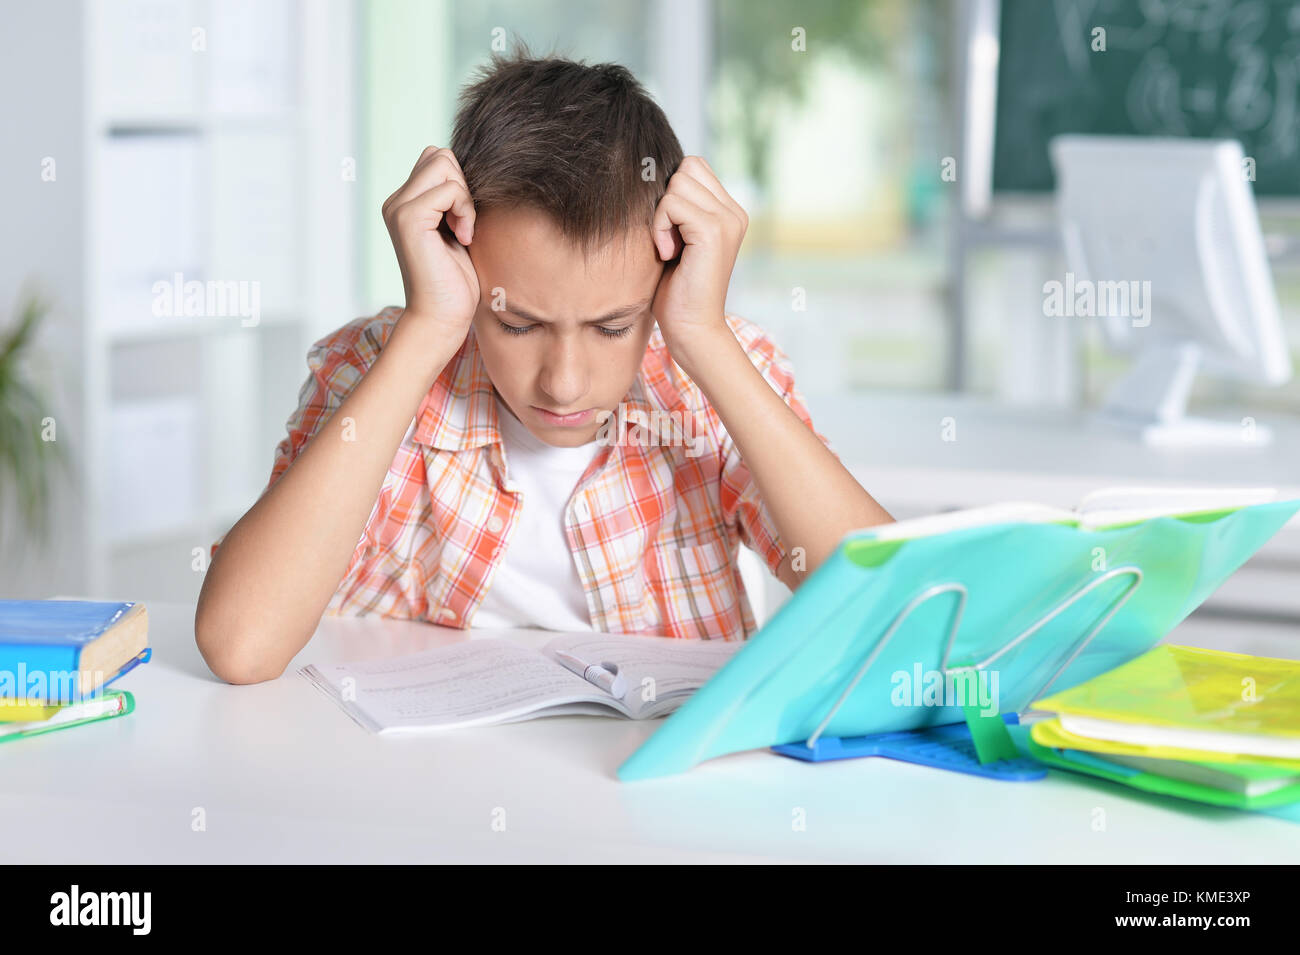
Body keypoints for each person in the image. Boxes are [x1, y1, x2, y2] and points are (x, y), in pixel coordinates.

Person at [195, 48, 893, 684]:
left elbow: (894, 622)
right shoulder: (378, 365)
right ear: (457, 255)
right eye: (518, 321)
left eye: (613, 326)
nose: (563, 380)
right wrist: (428, 328)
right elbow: (240, 643)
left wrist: (703, 335)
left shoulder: (710, 375)